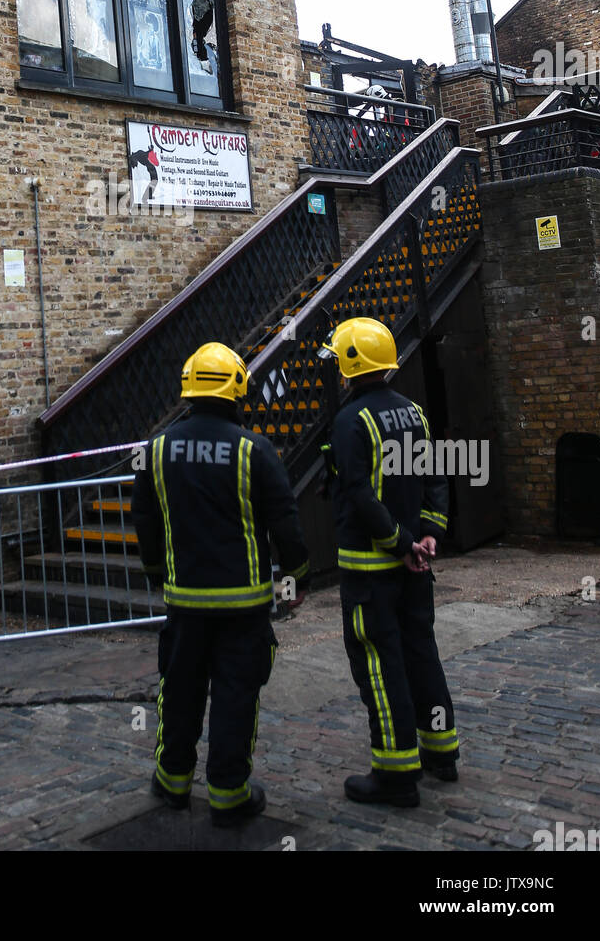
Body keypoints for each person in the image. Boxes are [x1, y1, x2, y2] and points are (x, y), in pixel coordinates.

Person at [132, 341, 310, 827]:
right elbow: (285, 521)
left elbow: (144, 518)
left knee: (180, 688)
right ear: (237, 388)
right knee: (236, 693)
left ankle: (171, 781)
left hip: (184, 600)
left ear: (188, 388)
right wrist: (296, 575)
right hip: (243, 605)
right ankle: (230, 794)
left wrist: (155, 572)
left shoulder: (157, 449)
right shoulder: (255, 449)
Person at [318, 316, 459, 807]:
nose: (335, 368)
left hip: (371, 573)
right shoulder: (415, 414)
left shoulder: (350, 421)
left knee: (380, 665)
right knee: (422, 651)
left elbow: (357, 493)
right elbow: (435, 478)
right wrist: (429, 535)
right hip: (416, 567)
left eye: (339, 360)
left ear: (352, 367)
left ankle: (396, 774)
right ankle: (442, 752)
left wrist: (400, 543)